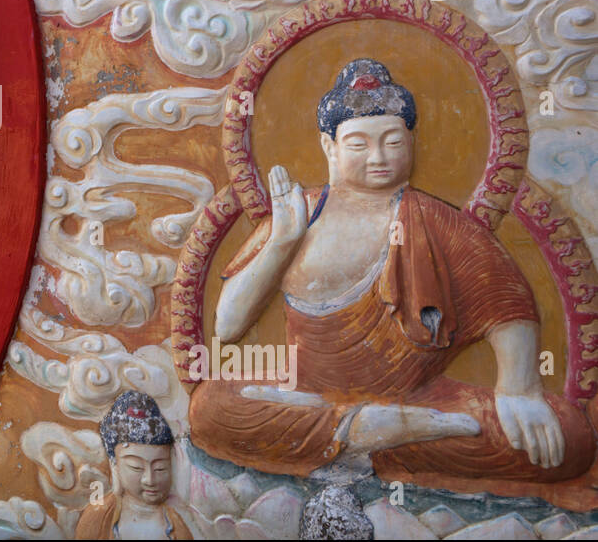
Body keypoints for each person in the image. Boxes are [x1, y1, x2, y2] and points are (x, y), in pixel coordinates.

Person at [188, 59, 597, 492]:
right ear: (329, 147)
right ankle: (371, 431)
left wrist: (519, 388)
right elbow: (228, 325)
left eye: (393, 142)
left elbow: (507, 300)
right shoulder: (296, 215)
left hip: (420, 399)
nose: (379, 157)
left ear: (412, 141)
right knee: (210, 409)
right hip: (304, 396)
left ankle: (364, 435)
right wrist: (282, 243)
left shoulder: (437, 222)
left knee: (568, 435)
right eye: (359, 144)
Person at [76, 390, 193, 539]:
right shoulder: (98, 518)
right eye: (136, 467)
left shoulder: (178, 526)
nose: (149, 480)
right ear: (115, 464)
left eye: (160, 468)